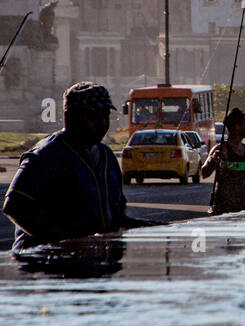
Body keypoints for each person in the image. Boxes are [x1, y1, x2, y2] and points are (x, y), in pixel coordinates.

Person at [3, 82, 147, 251]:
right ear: (70, 117)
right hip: (47, 266)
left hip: (94, 267)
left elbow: (115, 220)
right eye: (93, 117)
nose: (102, 124)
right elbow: (15, 206)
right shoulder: (47, 155)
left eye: (106, 116)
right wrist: (61, 241)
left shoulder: (107, 157)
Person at [202, 107, 245, 215]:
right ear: (237, 127)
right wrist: (213, 159)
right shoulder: (220, 149)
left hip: (241, 210)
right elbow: (204, 173)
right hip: (221, 212)